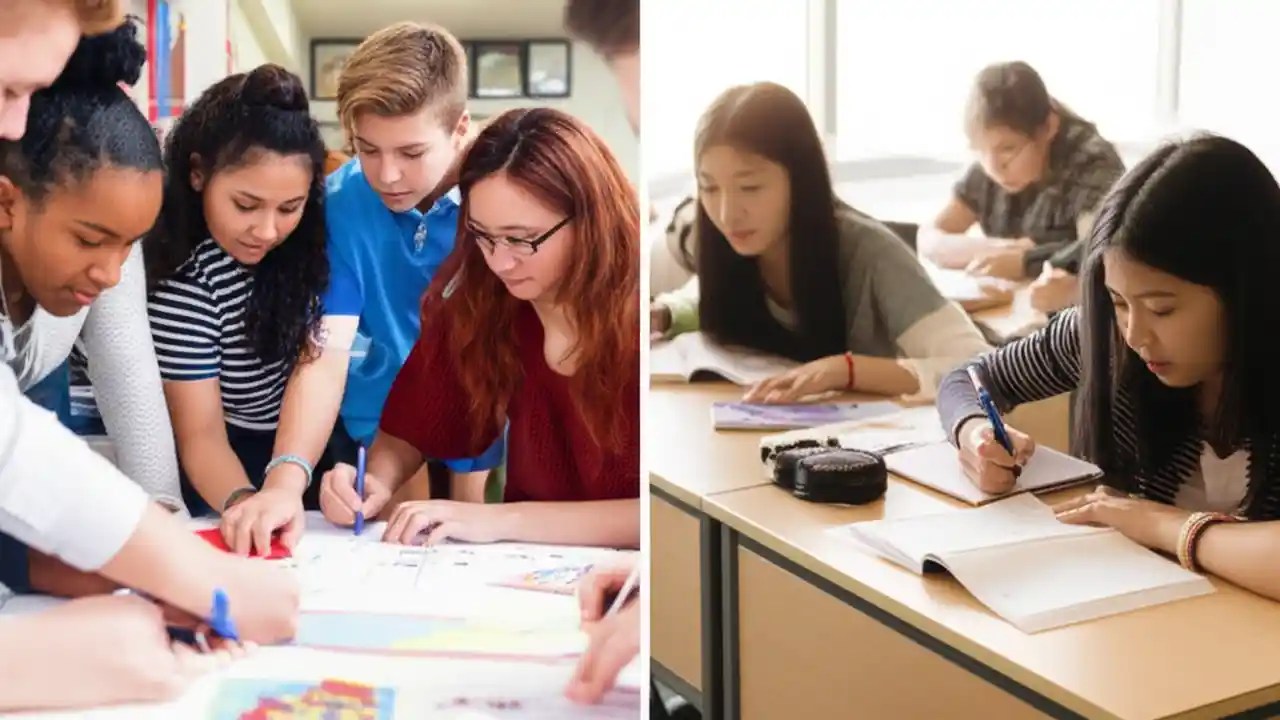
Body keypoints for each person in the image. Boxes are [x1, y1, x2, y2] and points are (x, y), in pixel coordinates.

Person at [0, 13, 297, 713]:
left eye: (23, 94)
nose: (11, 125)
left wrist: (163, 544)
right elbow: (13, 445)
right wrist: (198, 576)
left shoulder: (99, 241)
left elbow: (131, 376)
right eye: (9, 89)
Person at [939, 134, 1280, 602]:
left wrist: (1162, 524)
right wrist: (975, 433)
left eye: (1162, 309)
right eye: (1119, 302)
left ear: (1245, 292)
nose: (1136, 334)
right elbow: (972, 379)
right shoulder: (1106, 334)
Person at [224, 21, 503, 556]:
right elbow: (324, 351)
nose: (387, 175)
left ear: (460, 127)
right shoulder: (339, 204)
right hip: (379, 421)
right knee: (397, 543)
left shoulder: (498, 193)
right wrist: (285, 481)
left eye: (411, 152)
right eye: (367, 149)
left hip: (483, 404)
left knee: (473, 541)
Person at [317, 106, 640, 549]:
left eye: (522, 238)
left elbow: (661, 514)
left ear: (590, 219)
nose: (499, 261)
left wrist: (502, 521)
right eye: (482, 235)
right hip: (526, 571)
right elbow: (411, 429)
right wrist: (372, 481)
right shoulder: (482, 301)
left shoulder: (646, 318)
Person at [651, 82, 991, 403]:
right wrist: (667, 315)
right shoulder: (716, 238)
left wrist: (847, 370)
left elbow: (982, 369)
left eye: (750, 187)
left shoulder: (871, 254)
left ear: (800, 180)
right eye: (709, 188)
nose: (726, 214)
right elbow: (721, 304)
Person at [145, 65, 337, 546]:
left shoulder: (314, 243)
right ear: (196, 174)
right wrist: (245, 504)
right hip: (228, 463)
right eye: (246, 205)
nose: (267, 231)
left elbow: (321, 365)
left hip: (309, 451)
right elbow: (201, 436)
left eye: (289, 207)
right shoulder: (186, 281)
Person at [919, 61, 1125, 314]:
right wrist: (1000, 249)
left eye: (1008, 150)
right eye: (981, 150)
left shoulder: (1092, 162)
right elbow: (929, 237)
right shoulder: (991, 162)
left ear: (1048, 127)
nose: (994, 167)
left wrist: (1025, 260)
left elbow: (1101, 247)